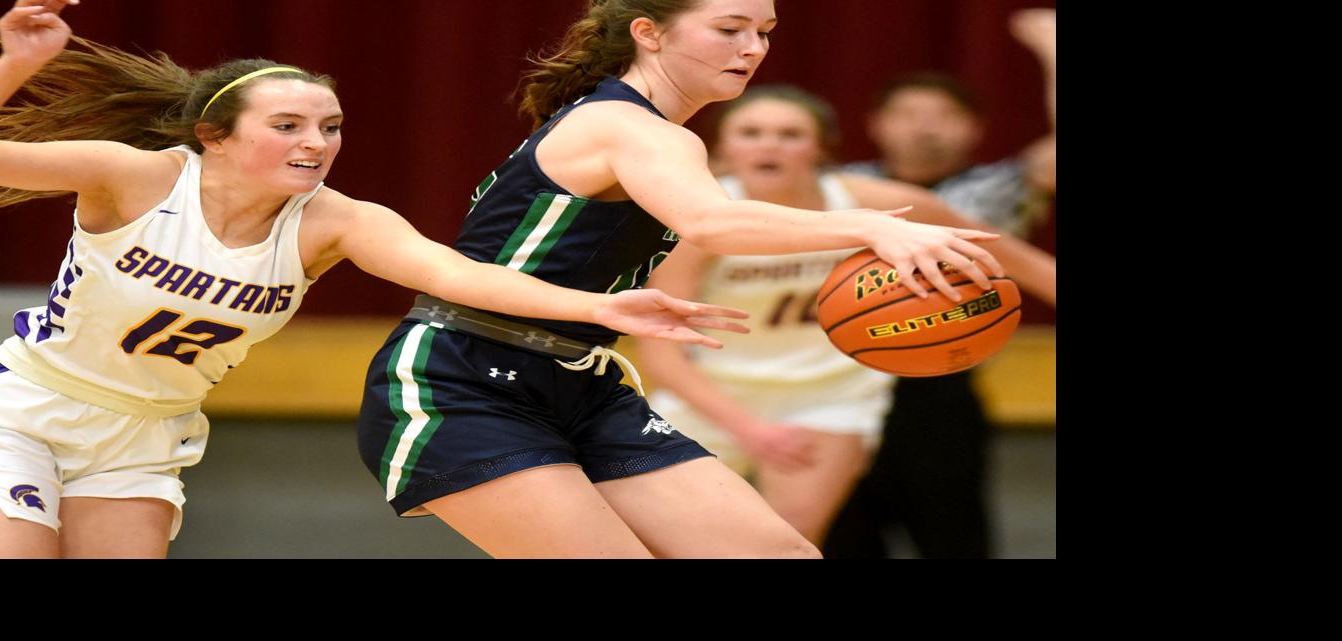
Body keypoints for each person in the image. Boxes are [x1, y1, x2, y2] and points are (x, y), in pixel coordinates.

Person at [0, 0, 748, 559]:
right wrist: (13, 67)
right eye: (288, 125)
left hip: (146, 432)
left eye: (330, 125)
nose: (317, 141)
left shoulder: (338, 221)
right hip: (20, 411)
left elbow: (462, 277)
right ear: (216, 134)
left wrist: (600, 305)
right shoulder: (136, 177)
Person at [355, 0, 1009, 559]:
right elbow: (712, 223)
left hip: (578, 381)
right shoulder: (622, 124)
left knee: (777, 553)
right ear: (649, 32)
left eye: (765, 32)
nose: (752, 48)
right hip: (462, 377)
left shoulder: (654, 132)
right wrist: (868, 227)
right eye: (729, 29)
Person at [633, 85, 1055, 546]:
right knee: (664, 542)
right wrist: (749, 429)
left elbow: (1023, 263)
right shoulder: (703, 221)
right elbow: (662, 357)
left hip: (830, 397)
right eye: (751, 133)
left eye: (789, 134)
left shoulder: (882, 203)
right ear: (724, 149)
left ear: (820, 149)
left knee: (788, 541)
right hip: (714, 394)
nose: (769, 145)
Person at [826, 8, 1057, 559]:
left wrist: (1051, 49)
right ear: (877, 123)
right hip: (836, 376)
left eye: (944, 115)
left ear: (974, 127)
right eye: (907, 113)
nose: (924, 126)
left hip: (942, 377)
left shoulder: (1002, 185)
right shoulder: (841, 187)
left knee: (953, 536)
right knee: (843, 538)